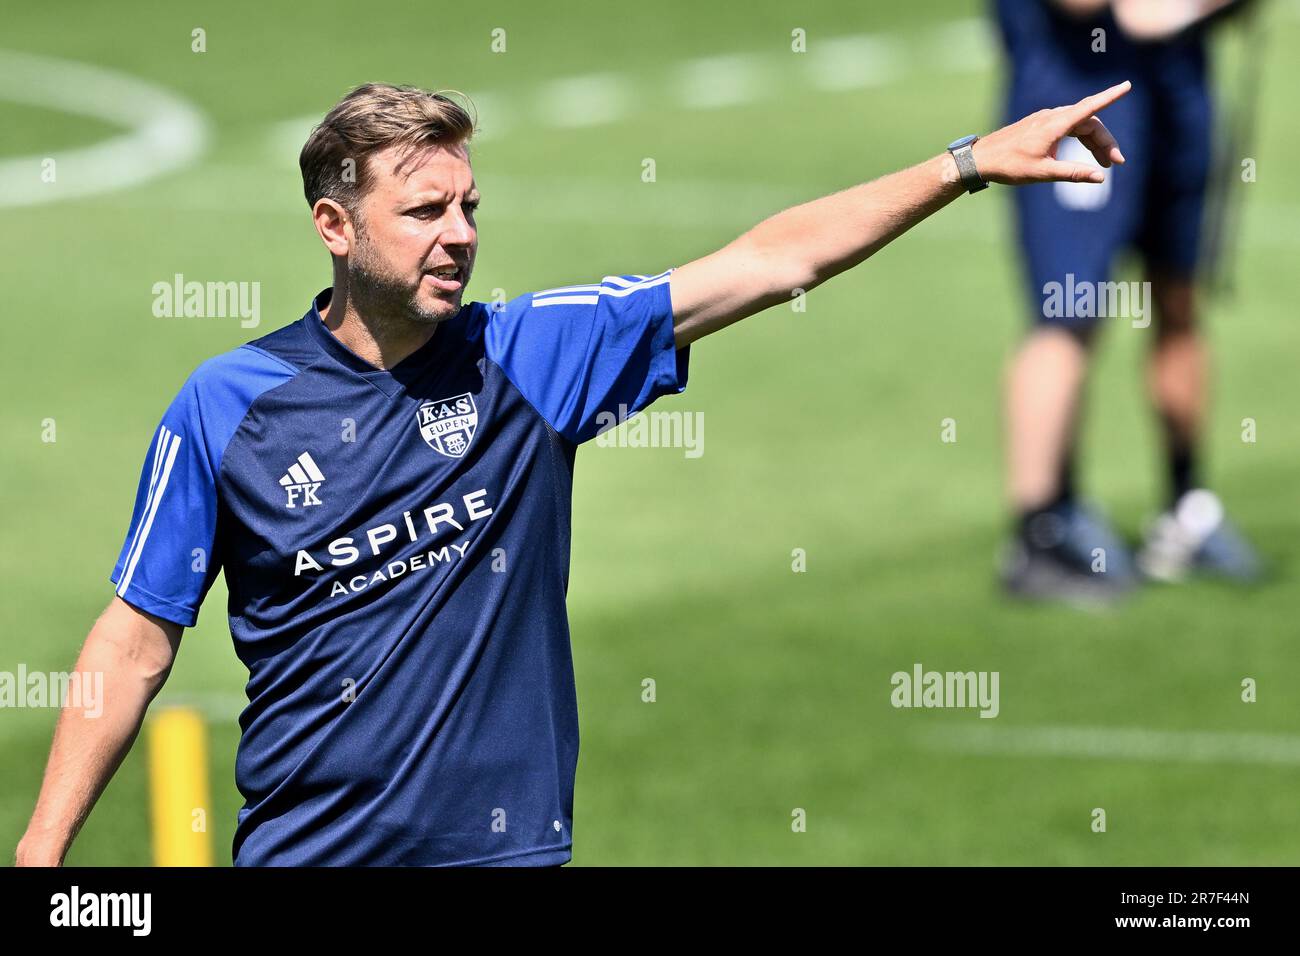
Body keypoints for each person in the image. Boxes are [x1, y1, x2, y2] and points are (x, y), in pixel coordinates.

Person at [17, 79, 1132, 866]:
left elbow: (770, 259)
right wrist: (45, 847)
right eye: (421, 211)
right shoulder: (227, 404)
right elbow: (136, 634)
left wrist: (967, 163)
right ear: (332, 225)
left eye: (467, 208)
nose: (456, 234)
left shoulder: (534, 353)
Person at [993, 0, 1261, 602]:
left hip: (1178, 83)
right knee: (1068, 309)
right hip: (1078, 88)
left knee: (1179, 296)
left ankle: (1185, 510)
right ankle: (1040, 531)